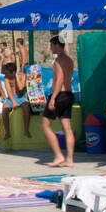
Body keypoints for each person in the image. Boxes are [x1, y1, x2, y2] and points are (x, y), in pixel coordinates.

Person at [41, 36, 76, 167]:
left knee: (45, 125)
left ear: (56, 45)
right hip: (68, 94)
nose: (50, 48)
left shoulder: (58, 61)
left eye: (51, 45)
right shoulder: (69, 60)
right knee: (67, 128)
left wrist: (53, 98)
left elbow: (59, 79)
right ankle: (70, 159)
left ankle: (58, 155)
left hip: (59, 94)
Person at [0, 63, 30, 143]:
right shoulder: (6, 78)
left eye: (8, 73)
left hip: (21, 96)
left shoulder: (22, 76)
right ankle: (8, 132)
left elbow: (21, 88)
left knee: (26, 107)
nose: (6, 74)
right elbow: (9, 91)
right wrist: (14, 102)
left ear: (13, 72)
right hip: (11, 97)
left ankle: (26, 129)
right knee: (4, 110)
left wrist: (17, 77)